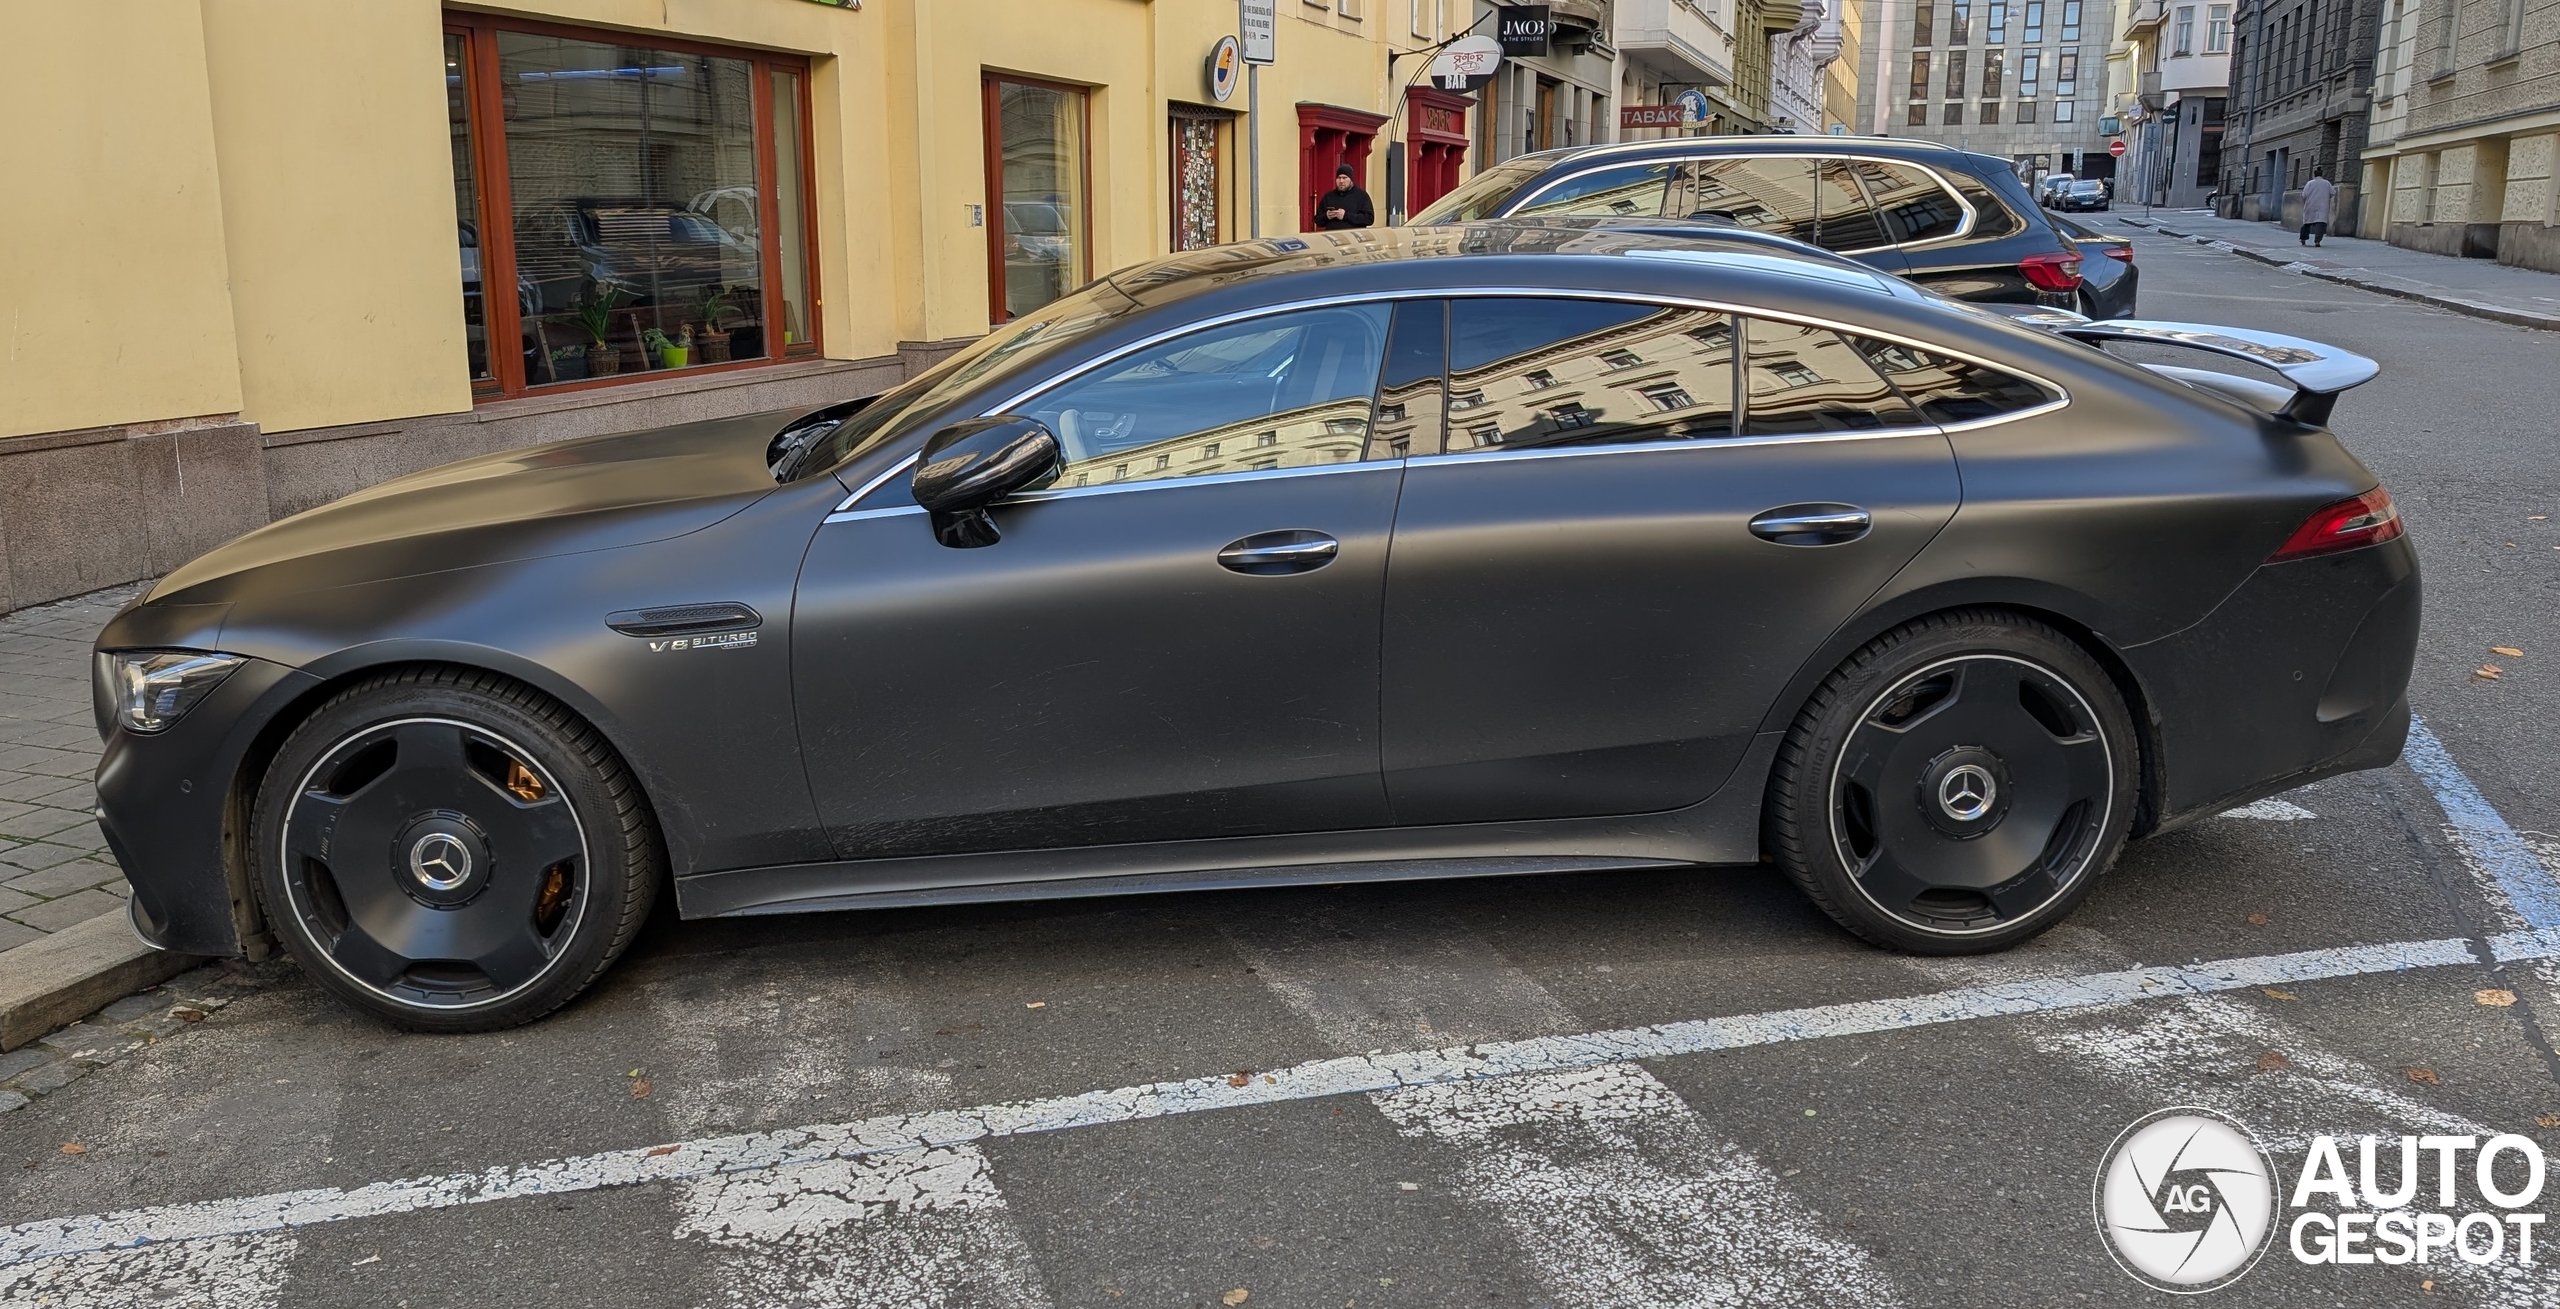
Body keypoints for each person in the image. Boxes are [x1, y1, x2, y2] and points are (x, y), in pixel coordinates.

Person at [1315, 164, 1374, 230]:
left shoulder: (1362, 196)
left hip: (1353, 237)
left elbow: (1369, 219)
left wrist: (1345, 215)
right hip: (1333, 236)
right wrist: (1327, 216)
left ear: (1351, 180)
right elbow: (1317, 220)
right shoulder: (1328, 197)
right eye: (1339, 178)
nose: (1341, 181)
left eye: (1344, 178)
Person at [2299, 168, 2334, 248]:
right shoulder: (2326, 183)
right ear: (2322, 174)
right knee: (2320, 224)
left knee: (2307, 223)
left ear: (2314, 175)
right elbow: (2333, 192)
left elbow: (2304, 195)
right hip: (2323, 205)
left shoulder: (2310, 183)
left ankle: (2303, 238)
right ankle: (2317, 241)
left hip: (2310, 204)